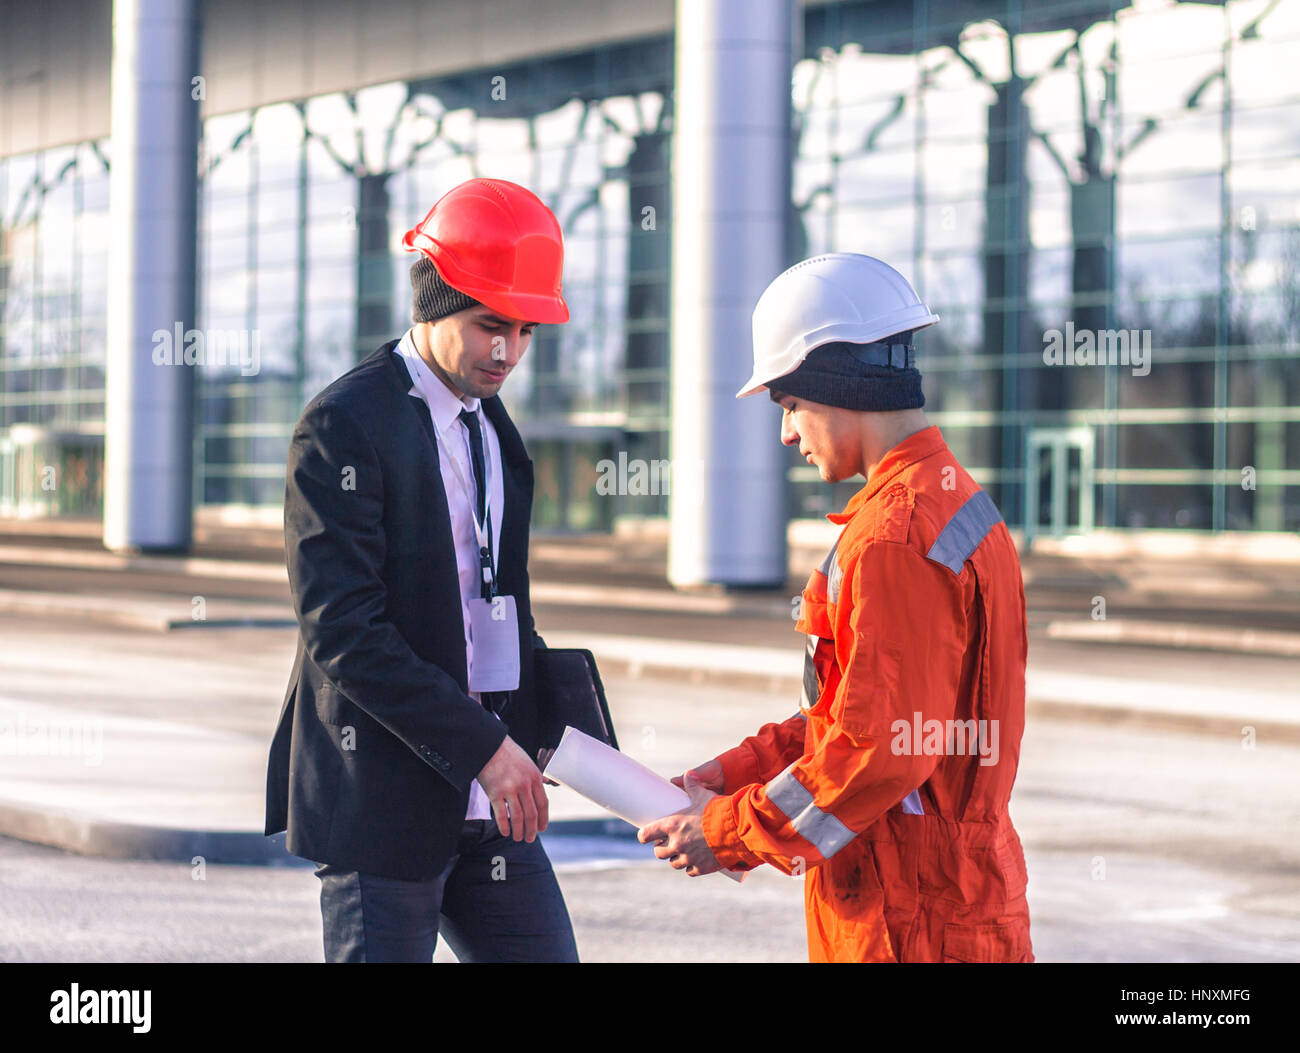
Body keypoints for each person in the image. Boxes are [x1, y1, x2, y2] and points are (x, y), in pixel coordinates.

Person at [639, 252, 1034, 964]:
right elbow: (850, 715)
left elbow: (875, 750)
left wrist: (728, 829)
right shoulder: (954, 502)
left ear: (835, 383)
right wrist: (727, 776)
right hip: (946, 898)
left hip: (906, 916)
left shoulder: (894, 536)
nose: (787, 434)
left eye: (790, 406)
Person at [264, 177, 579, 963]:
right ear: (434, 306)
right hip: (385, 802)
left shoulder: (495, 430)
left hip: (490, 796)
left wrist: (565, 732)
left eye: (525, 330)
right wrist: (483, 745)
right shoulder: (343, 426)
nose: (507, 351)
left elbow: (497, 604)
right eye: (488, 326)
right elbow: (344, 631)